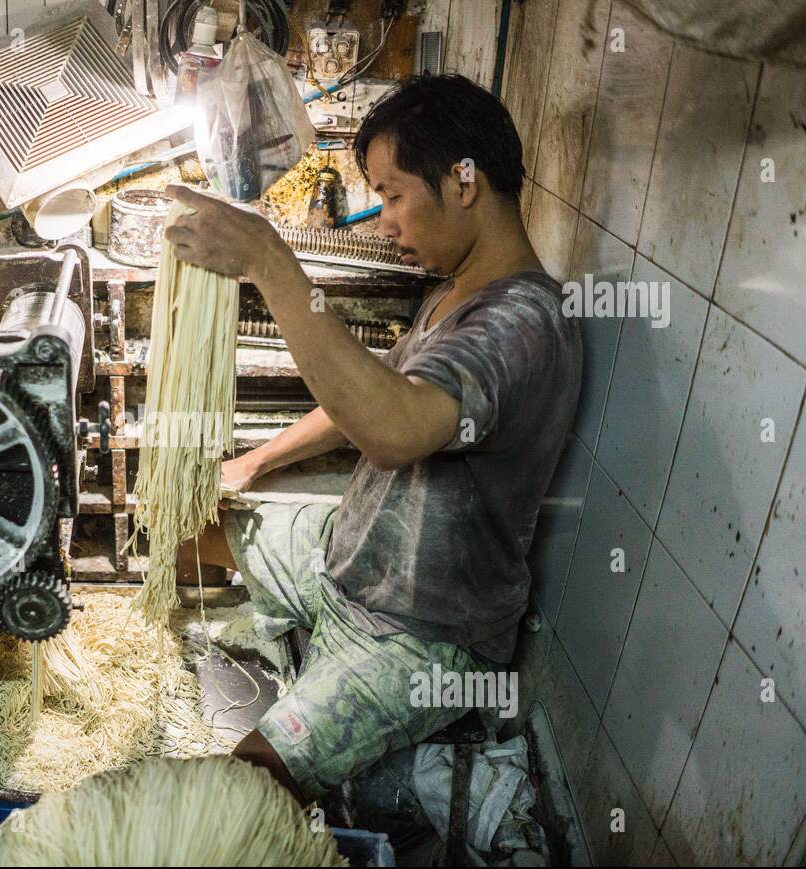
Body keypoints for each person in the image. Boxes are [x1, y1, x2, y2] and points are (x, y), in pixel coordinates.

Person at [164, 73, 582, 804]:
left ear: (463, 181)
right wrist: (250, 464)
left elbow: (393, 429)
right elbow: (371, 394)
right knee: (185, 525)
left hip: (417, 633)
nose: (383, 222)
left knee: (236, 791)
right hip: (351, 558)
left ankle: (444, 784)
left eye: (392, 195)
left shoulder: (523, 324)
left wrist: (269, 261)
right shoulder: (455, 296)